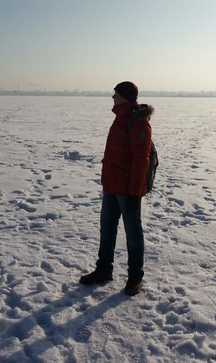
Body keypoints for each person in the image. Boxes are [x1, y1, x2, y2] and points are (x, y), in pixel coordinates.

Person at [80, 81, 154, 296]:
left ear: (126, 97)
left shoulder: (138, 122)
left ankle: (135, 278)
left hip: (128, 191)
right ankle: (104, 269)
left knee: (133, 234)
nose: (113, 97)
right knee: (107, 229)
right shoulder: (120, 118)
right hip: (111, 186)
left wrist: (134, 193)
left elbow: (141, 161)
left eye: (116, 94)